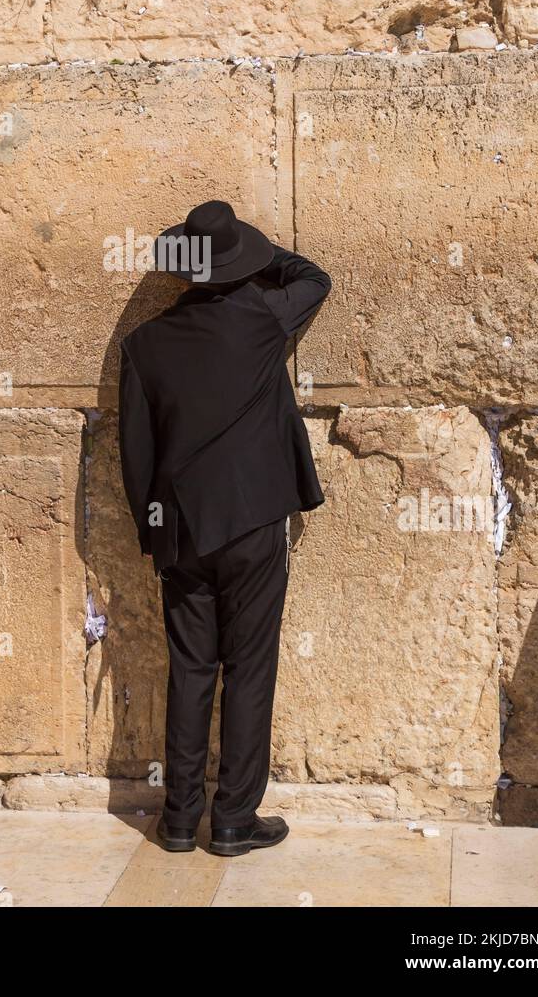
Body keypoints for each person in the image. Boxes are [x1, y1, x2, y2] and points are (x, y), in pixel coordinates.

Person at [118, 199, 331, 856]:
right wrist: (260, 259)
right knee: (249, 667)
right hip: (253, 522)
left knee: (190, 669)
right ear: (239, 264)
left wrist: (152, 532)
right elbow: (315, 277)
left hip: (181, 528)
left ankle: (180, 819)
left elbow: (136, 452)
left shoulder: (144, 345)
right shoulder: (264, 319)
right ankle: (235, 819)